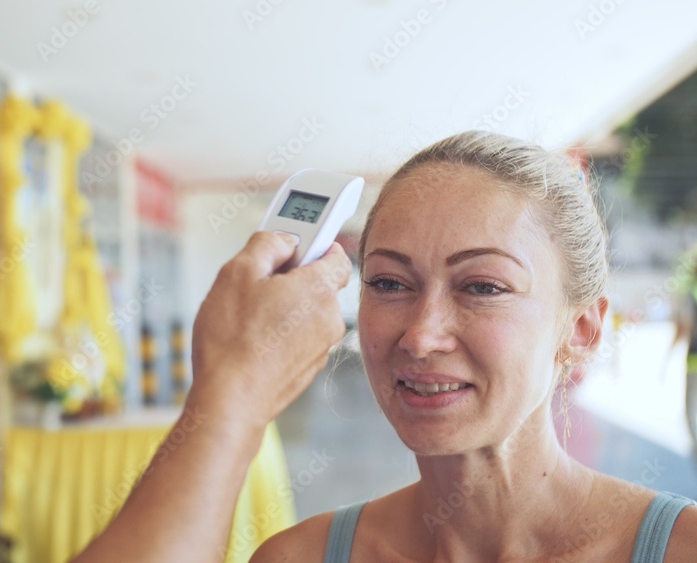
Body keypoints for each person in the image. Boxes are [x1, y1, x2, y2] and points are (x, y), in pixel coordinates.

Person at [74, 131, 697, 562]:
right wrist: (230, 394)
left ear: (581, 331)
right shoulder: (299, 557)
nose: (421, 335)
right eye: (389, 283)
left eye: (482, 285)